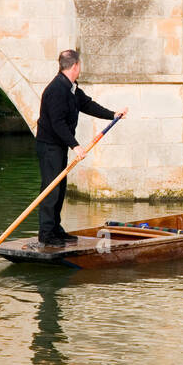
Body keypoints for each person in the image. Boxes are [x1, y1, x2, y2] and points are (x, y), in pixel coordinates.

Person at [35, 49, 126, 246]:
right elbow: (57, 122)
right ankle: (46, 234)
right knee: (51, 189)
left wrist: (113, 114)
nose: (80, 68)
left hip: (58, 146)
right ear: (75, 66)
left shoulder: (71, 87)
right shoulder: (56, 89)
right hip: (49, 146)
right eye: (80, 65)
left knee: (60, 187)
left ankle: (55, 229)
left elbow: (87, 105)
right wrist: (75, 146)